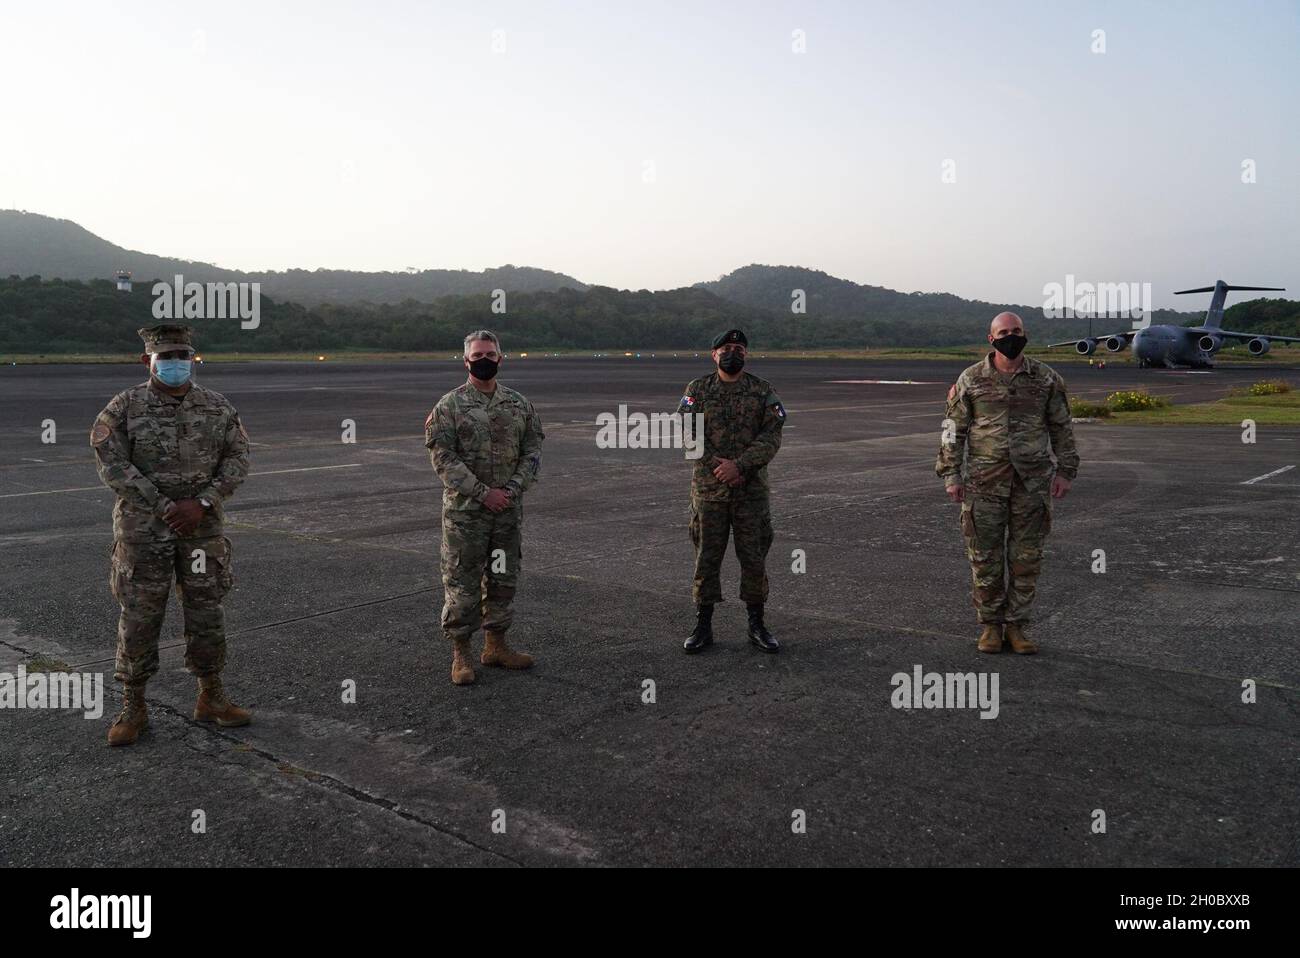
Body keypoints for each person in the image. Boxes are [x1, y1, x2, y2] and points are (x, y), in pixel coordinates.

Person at [91, 324, 251, 745]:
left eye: (183, 355)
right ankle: (134, 706)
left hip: (202, 531)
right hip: (144, 533)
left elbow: (237, 458)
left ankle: (211, 696)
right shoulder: (123, 408)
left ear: (193, 358)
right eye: (167, 357)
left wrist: (202, 502)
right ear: (147, 361)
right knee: (140, 617)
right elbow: (114, 467)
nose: (177, 363)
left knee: (207, 613)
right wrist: (167, 507)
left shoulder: (218, 407)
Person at [937, 312, 1079, 653]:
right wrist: (951, 474)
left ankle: (1017, 627)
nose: (1010, 337)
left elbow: (1061, 427)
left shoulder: (1046, 379)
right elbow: (952, 430)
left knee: (1026, 558)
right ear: (991, 339)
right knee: (984, 558)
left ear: (1025, 334)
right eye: (1003, 332)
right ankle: (990, 626)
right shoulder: (970, 379)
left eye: (1016, 331)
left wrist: (1066, 470)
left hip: (1032, 484)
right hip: (984, 484)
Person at [425, 330, 544, 685]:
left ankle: (496, 645)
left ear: (501, 359)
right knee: (462, 583)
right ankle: (461, 652)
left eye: (491, 355)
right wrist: (483, 493)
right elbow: (442, 457)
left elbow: (533, 451)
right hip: (466, 515)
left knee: (503, 580)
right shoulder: (449, 406)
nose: (484, 360)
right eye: (478, 355)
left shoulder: (519, 404)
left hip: (507, 511)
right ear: (465, 361)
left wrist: (510, 489)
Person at [677, 329, 785, 654]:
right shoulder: (697, 389)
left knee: (754, 559)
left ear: (746, 354)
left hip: (750, 492)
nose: (732, 352)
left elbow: (772, 436)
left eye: (738, 348)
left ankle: (757, 625)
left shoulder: (762, 390)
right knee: (706, 559)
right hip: (709, 493)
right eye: (726, 348)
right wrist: (719, 468)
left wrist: (740, 465)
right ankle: (703, 625)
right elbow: (688, 434)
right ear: (714, 354)